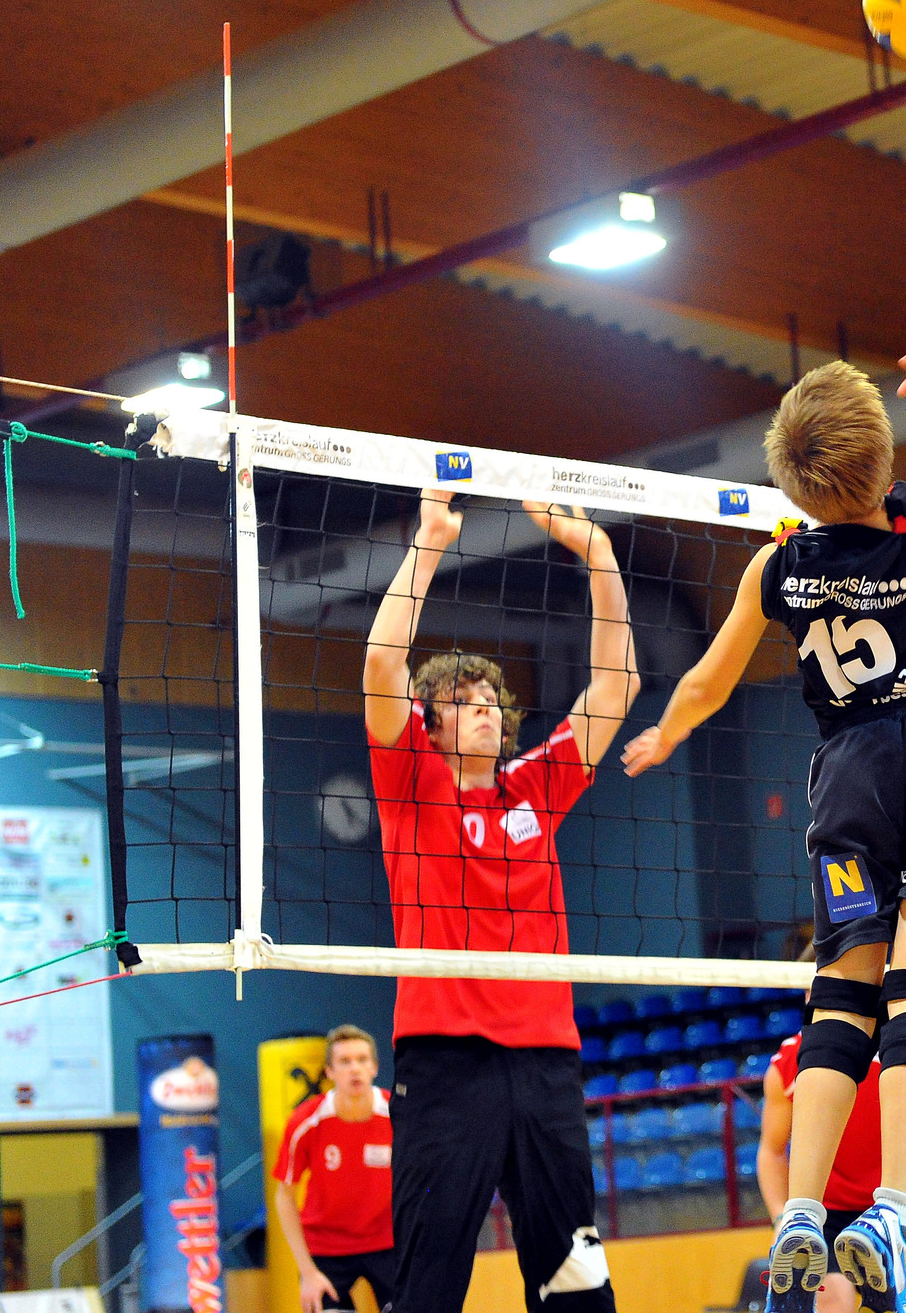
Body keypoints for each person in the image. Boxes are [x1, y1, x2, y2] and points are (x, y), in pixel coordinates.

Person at [623, 319, 906, 1311]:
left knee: (841, 992)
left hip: (847, 774)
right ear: (880, 453)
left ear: (788, 484)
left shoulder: (777, 568)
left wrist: (665, 736)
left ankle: (801, 1211)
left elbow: (710, 681)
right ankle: (891, 1207)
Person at [364, 494, 640, 1312]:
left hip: (546, 1059)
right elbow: (381, 667)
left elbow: (617, 683)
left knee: (577, 1285)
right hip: (445, 1060)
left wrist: (596, 553)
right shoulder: (411, 783)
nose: (484, 705)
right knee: (427, 1286)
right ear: (431, 720)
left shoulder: (537, 786)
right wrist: (430, 544)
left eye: (491, 698)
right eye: (463, 699)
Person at [758, 1027, 906, 1313]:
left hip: (894, 1210)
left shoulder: (902, 1051)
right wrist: (781, 1219)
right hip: (825, 1213)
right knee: (835, 1300)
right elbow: (772, 1151)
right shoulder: (788, 1059)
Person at [274, 1025, 395, 1313]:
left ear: (375, 1067)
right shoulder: (305, 1122)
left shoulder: (397, 1114)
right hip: (326, 1249)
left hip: (389, 1242)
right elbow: (284, 1197)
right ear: (329, 1071)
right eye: (345, 1061)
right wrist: (308, 1273)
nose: (355, 1069)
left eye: (362, 1060)